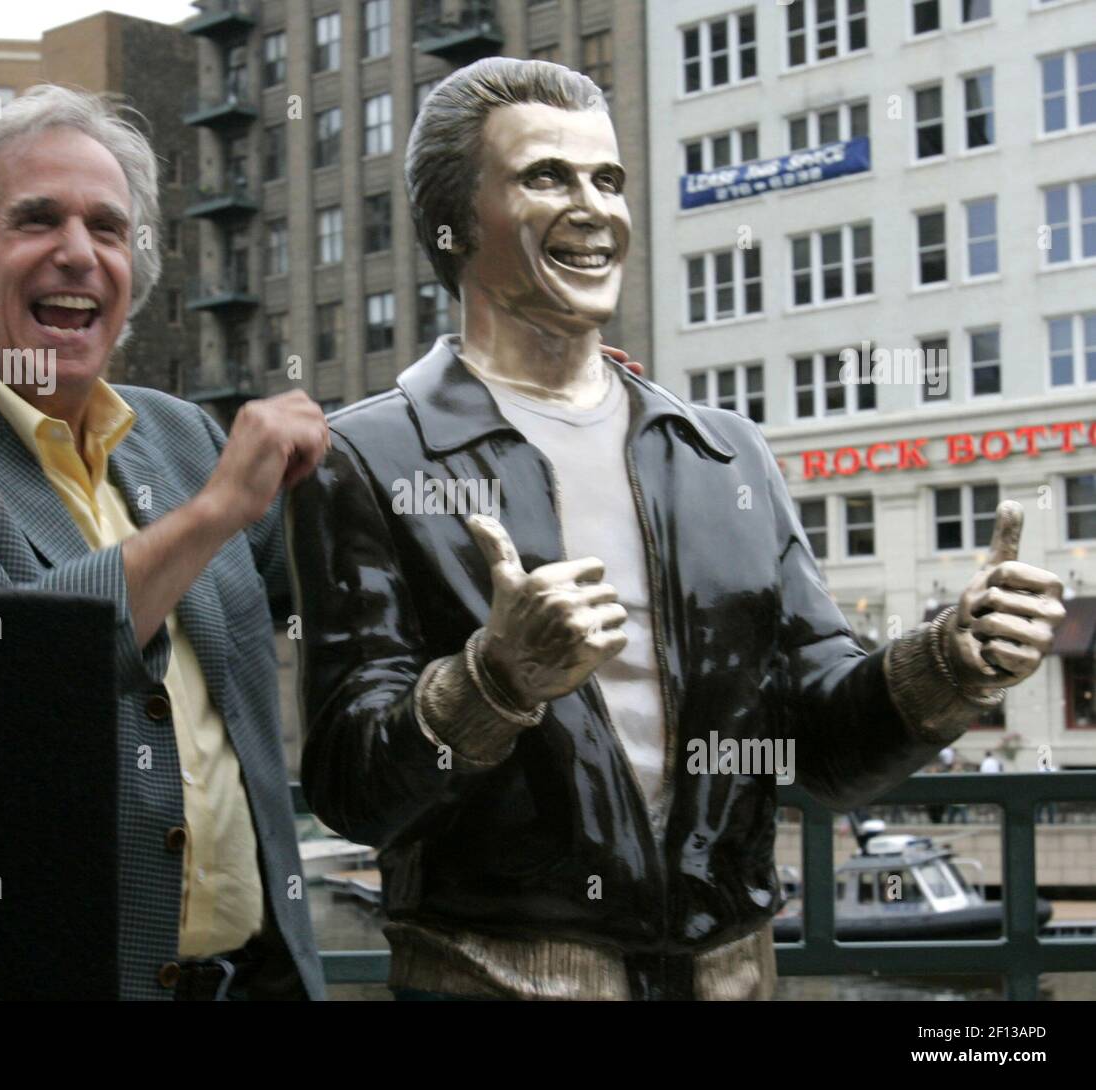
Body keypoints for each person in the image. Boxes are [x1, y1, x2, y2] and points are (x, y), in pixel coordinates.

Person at [286, 57, 1067, 1001]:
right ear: (454, 221)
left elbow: (819, 741)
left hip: (730, 972)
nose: (595, 208)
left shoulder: (723, 454)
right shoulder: (365, 457)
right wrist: (495, 681)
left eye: (608, 180)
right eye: (547, 177)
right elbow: (351, 787)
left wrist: (952, 660)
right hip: (497, 974)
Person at [0, 86, 330, 1001]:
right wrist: (208, 517)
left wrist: (551, 401)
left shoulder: (183, 438)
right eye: (37, 220)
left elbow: (349, 573)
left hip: (260, 983)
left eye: (108, 229)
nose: (78, 252)